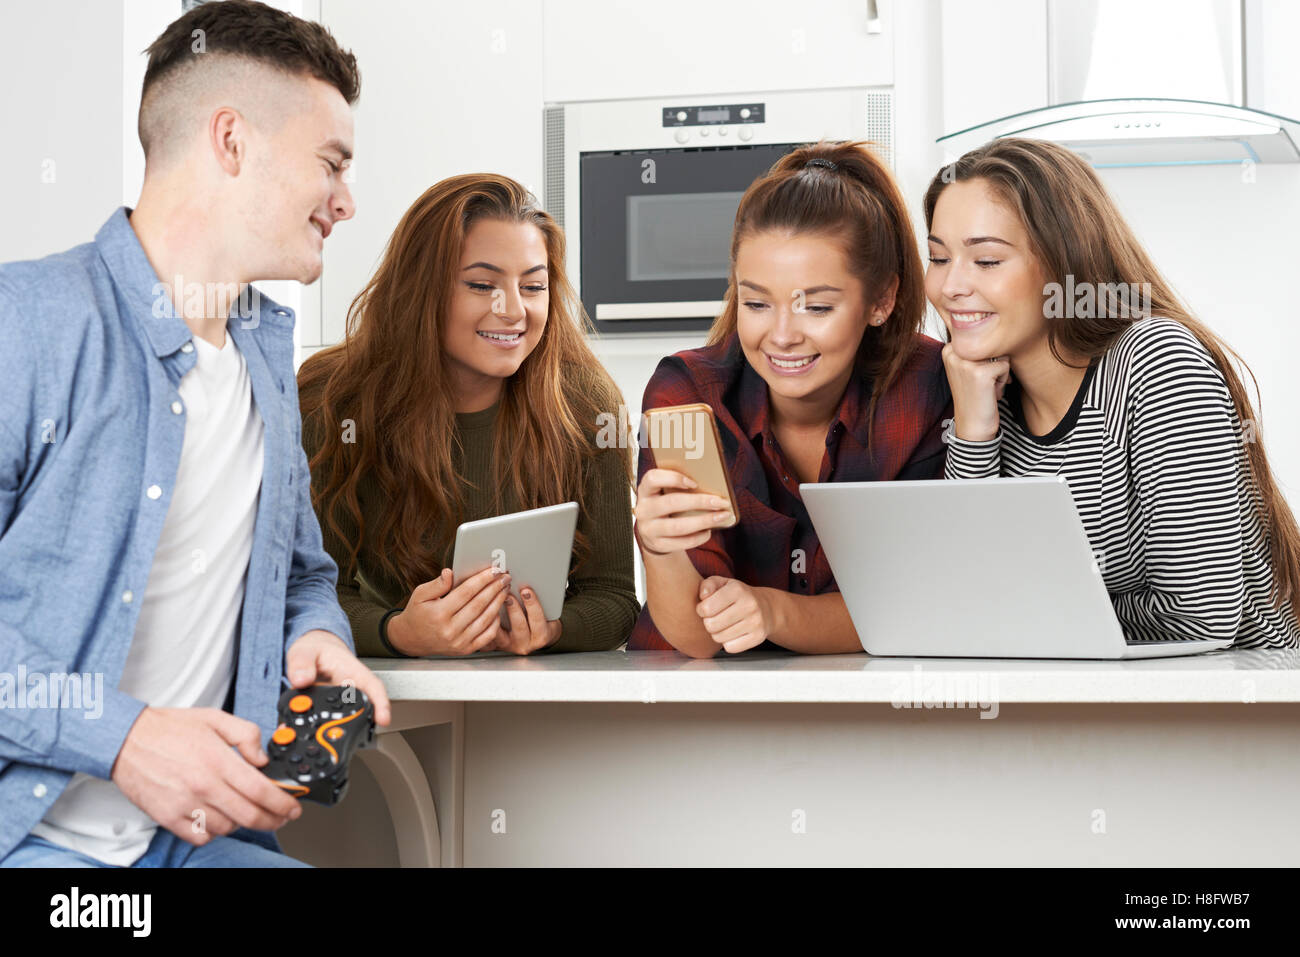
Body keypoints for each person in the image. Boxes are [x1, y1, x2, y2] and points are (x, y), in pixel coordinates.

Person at [0, 0, 390, 869]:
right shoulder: (23, 324)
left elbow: (301, 576)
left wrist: (314, 636)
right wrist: (125, 737)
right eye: (331, 163)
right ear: (231, 141)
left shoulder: (264, 360)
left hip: (194, 843)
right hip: (32, 841)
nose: (346, 201)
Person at [928, 137, 1300, 647]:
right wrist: (973, 431)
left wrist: (1026, 610)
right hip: (1102, 704)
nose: (950, 287)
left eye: (986, 261)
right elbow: (961, 600)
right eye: (938, 258)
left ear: (1064, 263)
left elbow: (1202, 616)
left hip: (1234, 706)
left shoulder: (1157, 362)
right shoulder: (982, 390)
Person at [629, 142, 952, 658]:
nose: (781, 336)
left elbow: (917, 609)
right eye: (756, 303)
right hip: (692, 707)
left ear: (882, 300)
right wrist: (660, 547)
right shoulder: (685, 393)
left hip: (869, 705)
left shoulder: (928, 388)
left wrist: (772, 611)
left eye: (816, 307)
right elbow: (697, 638)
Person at [298, 173, 639, 657]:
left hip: (530, 695)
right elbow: (306, 595)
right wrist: (397, 633)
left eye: (534, 286)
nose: (514, 311)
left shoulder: (584, 399)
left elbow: (615, 598)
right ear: (420, 289)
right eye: (482, 285)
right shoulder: (331, 398)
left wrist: (551, 631)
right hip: (391, 687)